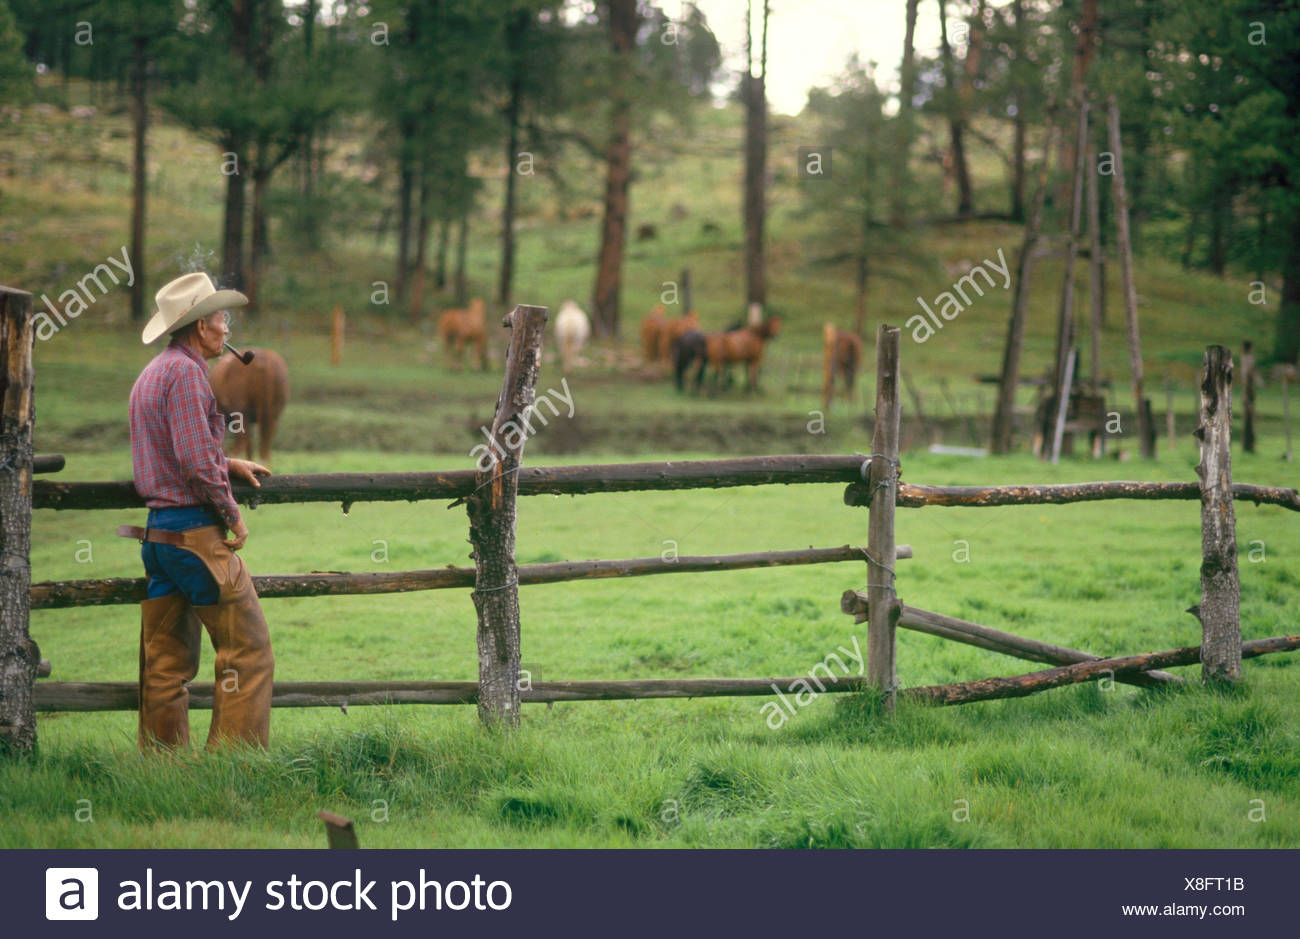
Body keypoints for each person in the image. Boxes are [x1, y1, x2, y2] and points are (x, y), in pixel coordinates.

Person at [121, 272, 274, 751]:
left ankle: (163, 768)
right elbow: (191, 463)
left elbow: (173, 452)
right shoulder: (188, 376)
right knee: (248, 653)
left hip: (159, 539)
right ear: (200, 325)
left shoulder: (153, 373)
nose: (228, 329)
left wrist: (225, 461)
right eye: (222, 319)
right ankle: (236, 763)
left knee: (165, 663)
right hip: (196, 539)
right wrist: (232, 514)